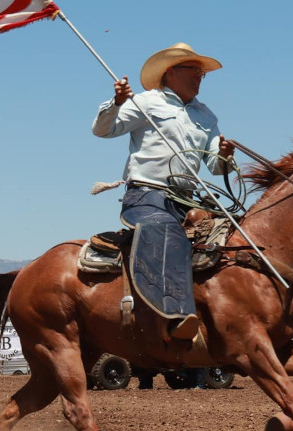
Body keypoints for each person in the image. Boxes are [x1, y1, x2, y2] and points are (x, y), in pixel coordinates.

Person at [92, 43, 235, 341]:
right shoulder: (145, 102)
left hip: (187, 201)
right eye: (194, 70)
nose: (199, 77)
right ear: (171, 72)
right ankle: (176, 316)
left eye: (202, 73)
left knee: (234, 236)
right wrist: (116, 102)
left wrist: (225, 155)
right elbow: (104, 130)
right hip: (146, 197)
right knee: (168, 233)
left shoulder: (206, 116)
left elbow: (215, 167)